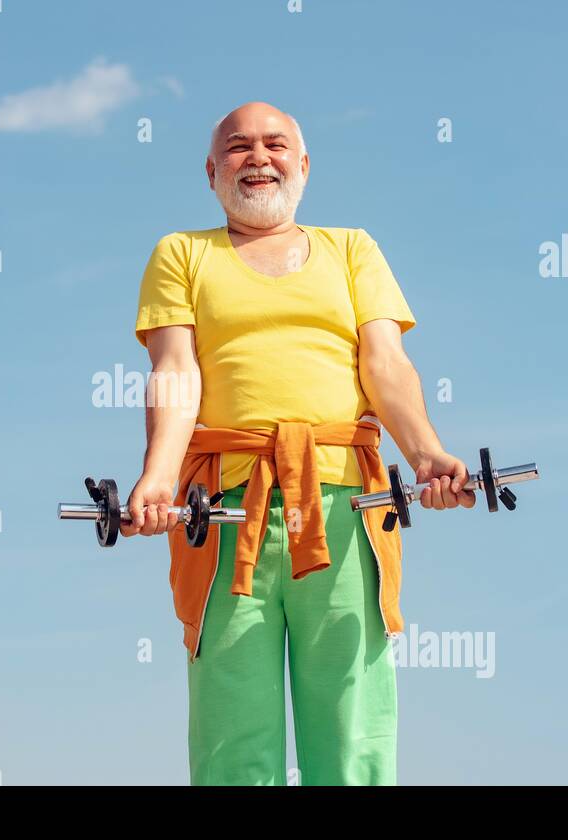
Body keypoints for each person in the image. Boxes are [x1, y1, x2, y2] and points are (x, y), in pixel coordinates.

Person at [126, 101, 475, 786]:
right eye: (237, 147)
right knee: (232, 725)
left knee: (350, 719)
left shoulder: (353, 249)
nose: (258, 157)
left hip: (345, 505)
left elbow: (386, 365)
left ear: (304, 165)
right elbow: (175, 371)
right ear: (210, 170)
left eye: (275, 144)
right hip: (223, 511)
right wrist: (158, 477)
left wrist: (428, 454)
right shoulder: (182, 253)